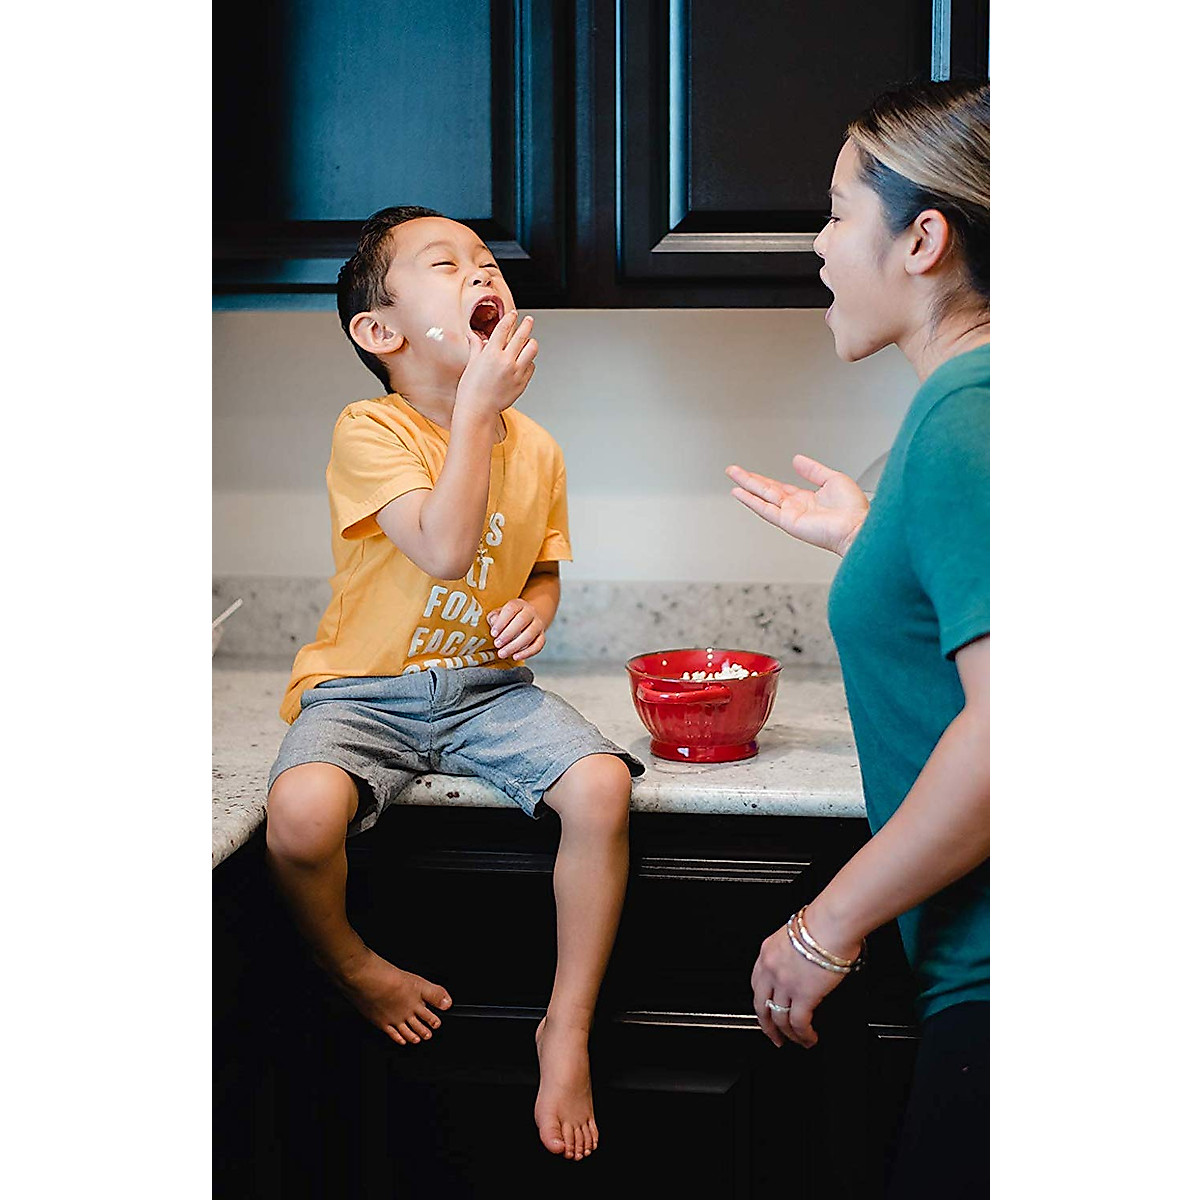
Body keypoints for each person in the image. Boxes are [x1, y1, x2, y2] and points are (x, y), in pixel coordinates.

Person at [265, 205, 645, 1163]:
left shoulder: (541, 449)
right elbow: (440, 545)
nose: (484, 273)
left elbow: (541, 564)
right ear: (380, 332)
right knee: (301, 817)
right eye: (449, 264)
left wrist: (542, 608)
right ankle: (352, 965)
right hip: (364, 690)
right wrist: (477, 410)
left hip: (486, 689)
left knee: (602, 785)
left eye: (487, 262)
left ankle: (566, 1027)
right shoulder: (369, 429)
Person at [726, 79, 990, 1198]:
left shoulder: (969, 408)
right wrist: (876, 549)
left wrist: (822, 931)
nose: (821, 246)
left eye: (838, 213)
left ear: (924, 237)